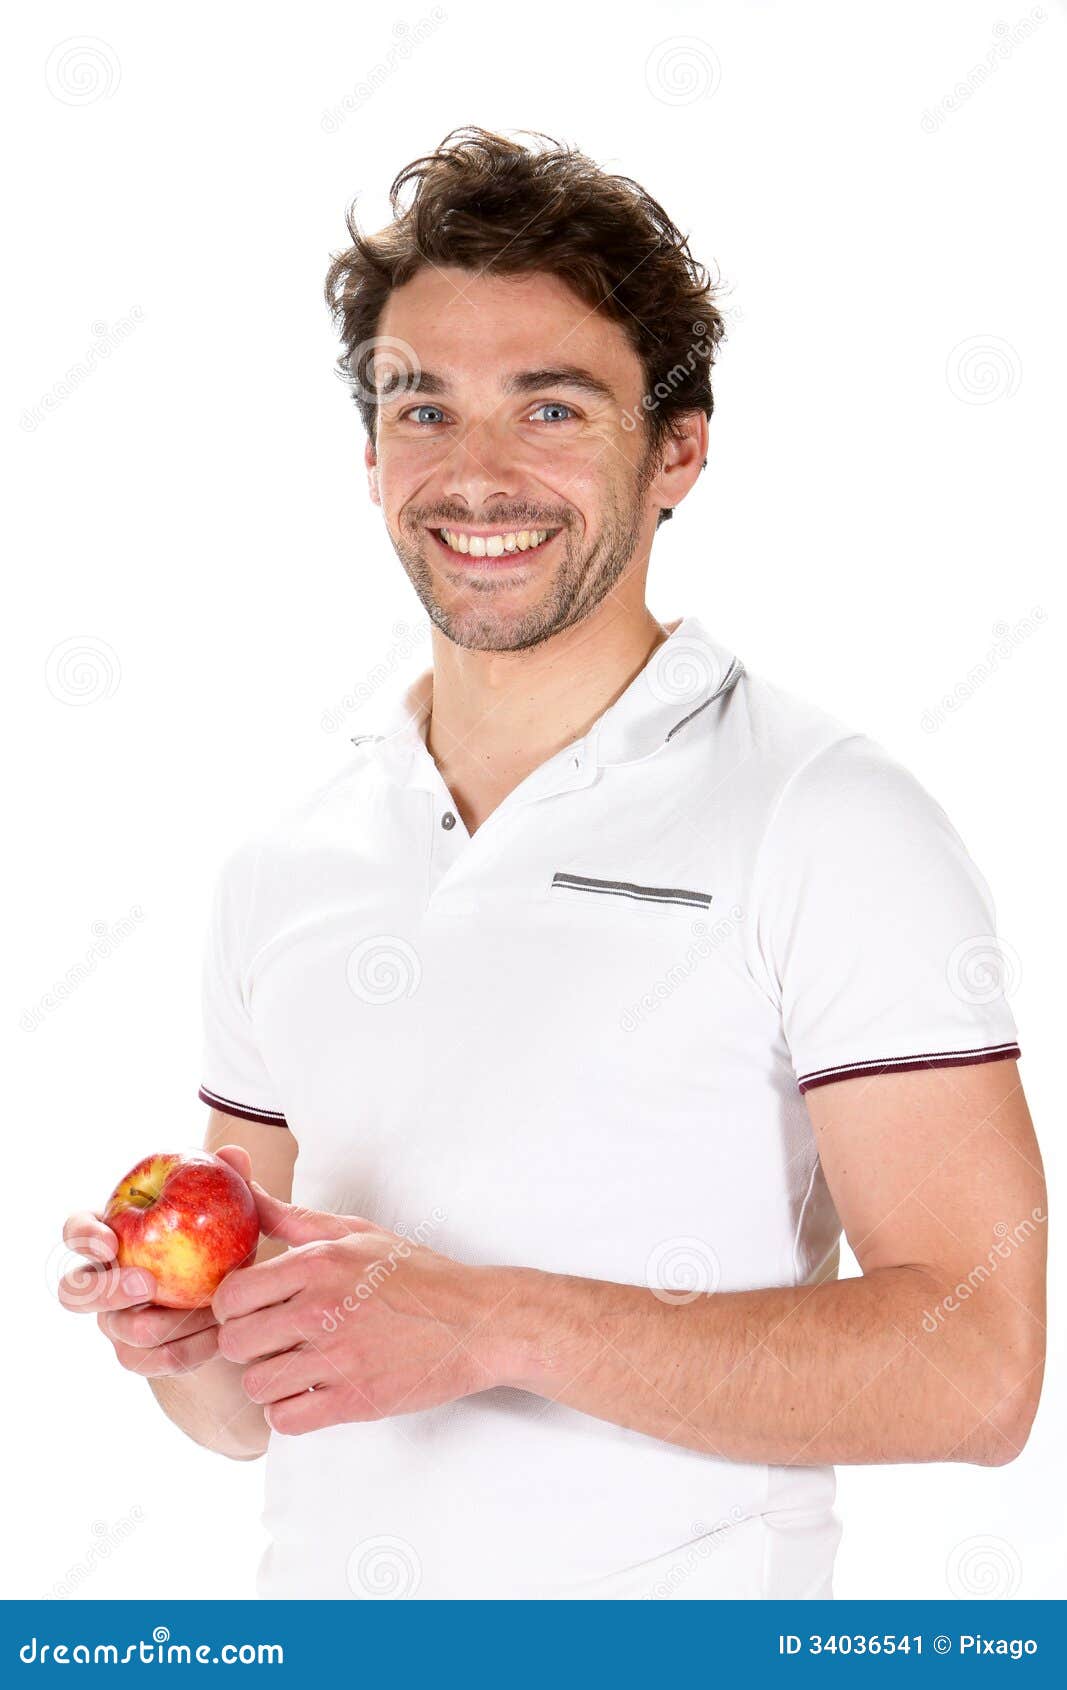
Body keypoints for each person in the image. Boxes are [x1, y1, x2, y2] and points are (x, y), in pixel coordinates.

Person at [59, 127, 1046, 1601]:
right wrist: (186, 1338)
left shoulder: (825, 816)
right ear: (370, 448)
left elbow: (979, 1369)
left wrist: (494, 1325)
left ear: (680, 449)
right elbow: (245, 1414)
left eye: (551, 408)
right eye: (422, 406)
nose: (477, 475)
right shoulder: (288, 863)